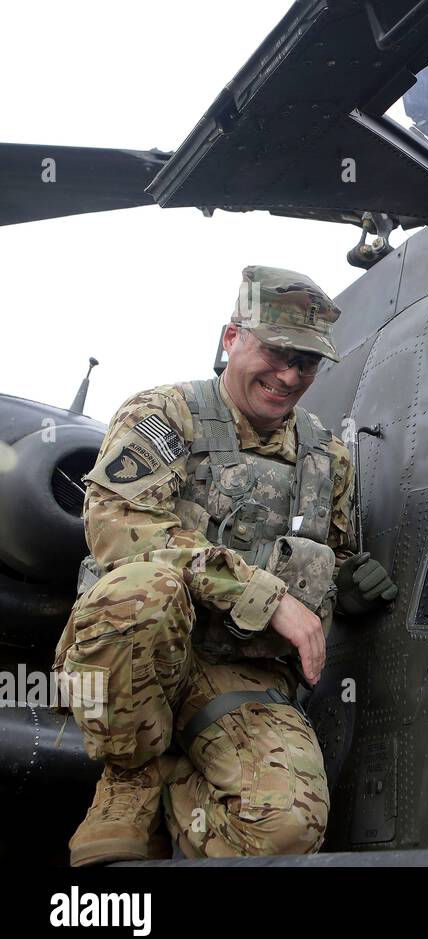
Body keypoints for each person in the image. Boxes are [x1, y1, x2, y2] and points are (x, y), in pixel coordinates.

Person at [52, 266, 397, 865]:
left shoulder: (327, 459)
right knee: (143, 589)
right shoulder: (164, 414)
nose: (289, 376)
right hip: (136, 659)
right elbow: (116, 531)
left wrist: (346, 584)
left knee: (286, 831)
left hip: (243, 674)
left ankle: (173, 793)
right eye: (276, 351)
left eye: (307, 363)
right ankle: (128, 780)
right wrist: (265, 595)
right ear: (231, 337)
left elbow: (331, 557)